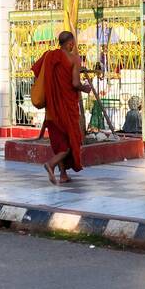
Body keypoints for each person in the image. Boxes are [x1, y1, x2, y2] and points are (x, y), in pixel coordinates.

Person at [32, 30, 96, 185]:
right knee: (70, 141)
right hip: (67, 107)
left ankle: (63, 175)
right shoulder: (74, 59)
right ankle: (51, 164)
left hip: (52, 107)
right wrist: (85, 88)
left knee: (59, 140)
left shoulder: (49, 56)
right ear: (71, 43)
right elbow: (74, 83)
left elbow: (37, 72)